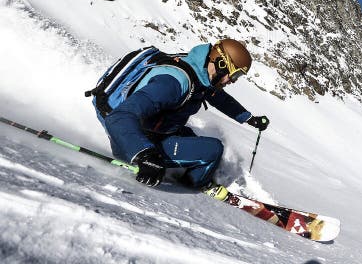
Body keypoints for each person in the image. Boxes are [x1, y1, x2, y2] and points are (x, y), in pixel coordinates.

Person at [92, 39, 270, 191]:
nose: (233, 81)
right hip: (130, 140)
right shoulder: (173, 84)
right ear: (222, 65)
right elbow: (118, 117)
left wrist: (249, 118)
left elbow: (219, 98)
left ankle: (183, 173)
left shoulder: (198, 72)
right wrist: (145, 155)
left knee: (192, 137)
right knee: (213, 150)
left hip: (149, 130)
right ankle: (191, 189)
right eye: (235, 74)